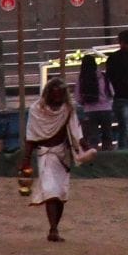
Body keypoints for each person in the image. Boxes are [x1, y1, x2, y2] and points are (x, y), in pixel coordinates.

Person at [24, 77, 86, 242]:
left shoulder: (67, 109)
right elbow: (31, 136)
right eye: (55, 94)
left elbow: (76, 131)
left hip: (62, 154)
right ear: (48, 94)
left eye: (61, 94)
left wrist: (84, 146)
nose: (58, 98)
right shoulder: (37, 109)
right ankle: (53, 229)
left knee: (61, 194)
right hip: (45, 154)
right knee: (51, 191)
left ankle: (55, 227)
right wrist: (26, 159)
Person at [78, 53, 116, 150]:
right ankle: (108, 156)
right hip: (106, 109)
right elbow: (111, 92)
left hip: (89, 110)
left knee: (93, 137)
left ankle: (95, 158)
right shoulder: (103, 76)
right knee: (107, 135)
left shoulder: (82, 79)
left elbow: (78, 97)